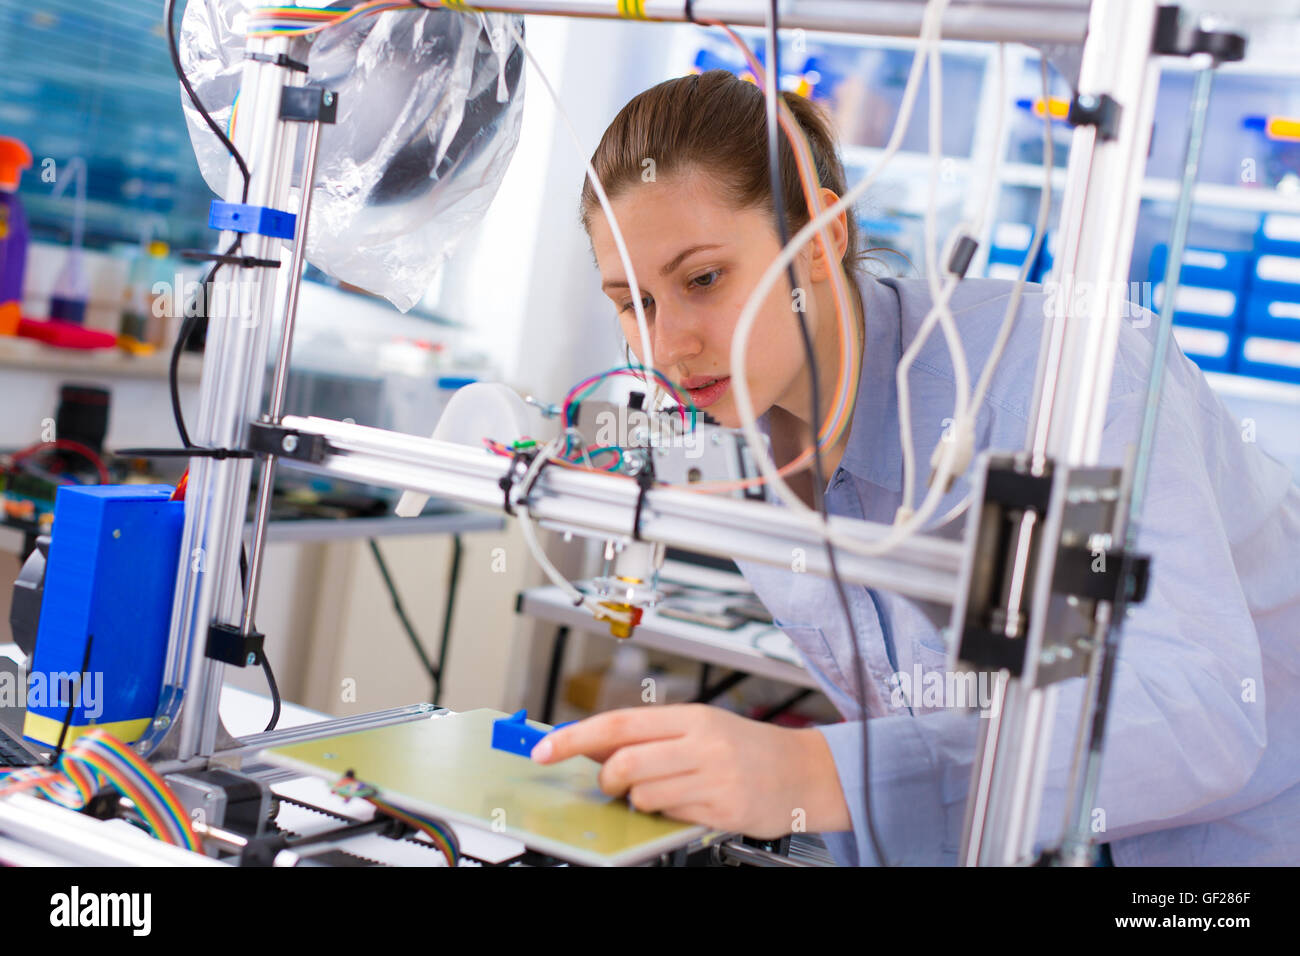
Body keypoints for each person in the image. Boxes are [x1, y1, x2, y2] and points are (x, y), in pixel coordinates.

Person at [530, 69, 1300, 865]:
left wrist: (812, 771)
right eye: (633, 302)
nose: (667, 347)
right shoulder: (737, 446)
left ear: (822, 240)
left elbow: (1204, 715)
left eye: (703, 280)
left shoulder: (1067, 379)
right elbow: (923, 725)